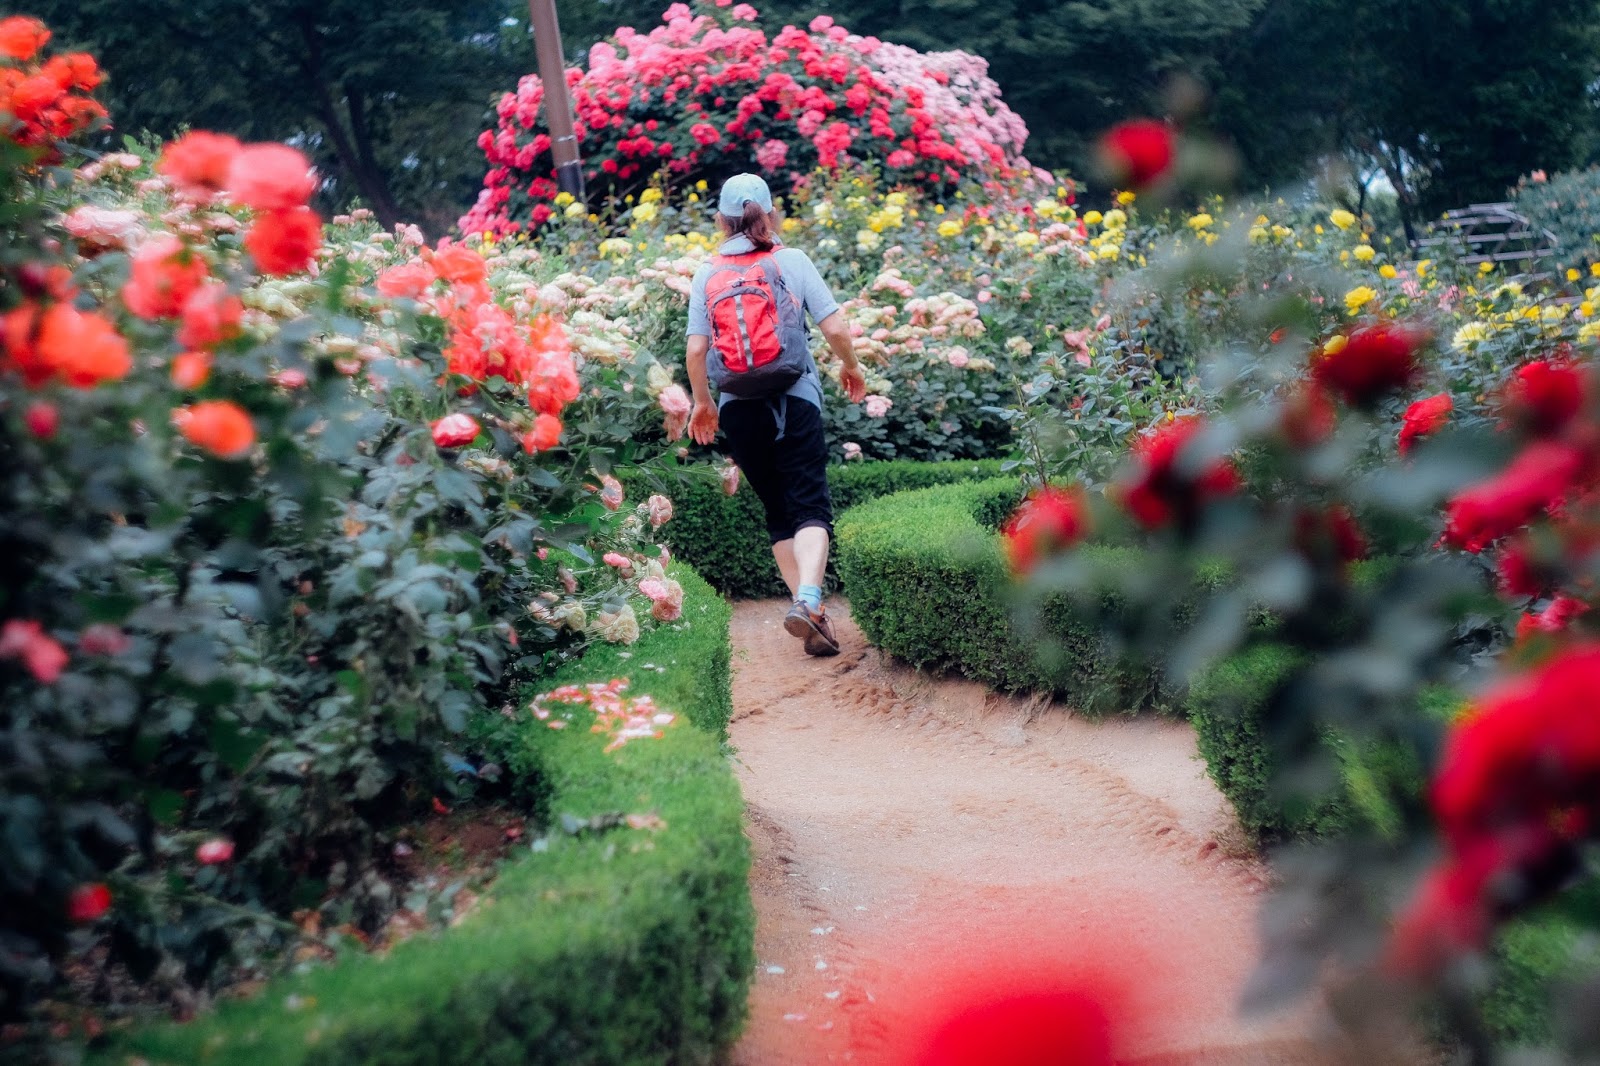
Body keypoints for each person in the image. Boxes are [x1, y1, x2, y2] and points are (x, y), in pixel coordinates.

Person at [685, 173, 867, 656]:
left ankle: (811, 613)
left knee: (778, 512)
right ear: (770, 213)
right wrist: (851, 366)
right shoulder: (792, 260)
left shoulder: (707, 273)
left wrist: (703, 403)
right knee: (810, 505)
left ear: (721, 220)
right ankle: (808, 599)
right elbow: (835, 328)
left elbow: (697, 349)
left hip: (738, 409)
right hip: (794, 398)